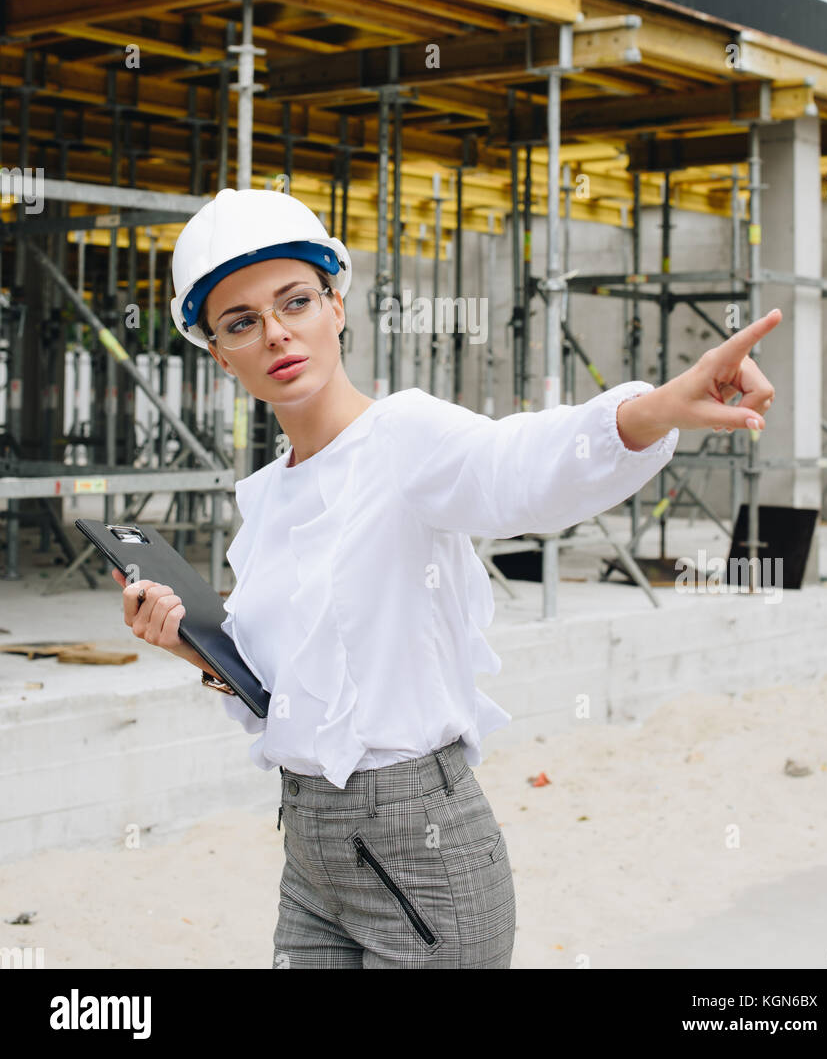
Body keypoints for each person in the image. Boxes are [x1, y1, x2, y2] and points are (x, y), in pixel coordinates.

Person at [112, 186, 780, 969]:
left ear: (335, 304)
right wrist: (196, 649)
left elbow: (520, 467)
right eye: (241, 322)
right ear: (218, 351)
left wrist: (656, 409)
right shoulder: (269, 497)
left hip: (420, 854)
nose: (276, 333)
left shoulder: (403, 435)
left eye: (295, 301)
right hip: (310, 857)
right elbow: (286, 693)